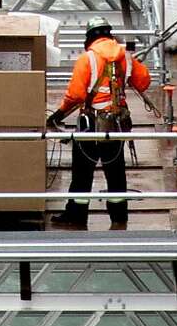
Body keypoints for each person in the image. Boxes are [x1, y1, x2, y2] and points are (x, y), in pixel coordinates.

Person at [46, 22, 152, 229]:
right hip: (117, 125)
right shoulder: (125, 57)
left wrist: (58, 114)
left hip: (91, 125)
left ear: (89, 37)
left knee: (82, 172)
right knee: (116, 172)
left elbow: (76, 95)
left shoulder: (88, 59)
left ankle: (76, 215)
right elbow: (144, 81)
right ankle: (119, 216)